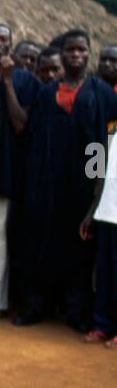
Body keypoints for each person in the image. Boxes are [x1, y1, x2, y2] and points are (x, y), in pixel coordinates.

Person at [15, 30, 115, 331]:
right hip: (46, 184)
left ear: (88, 54)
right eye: (70, 50)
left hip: (83, 185)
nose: (75, 55)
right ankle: (35, 306)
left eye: (81, 50)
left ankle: (77, 312)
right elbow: (32, 142)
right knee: (41, 245)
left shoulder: (101, 94)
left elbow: (103, 141)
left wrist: (94, 186)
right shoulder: (46, 94)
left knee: (80, 250)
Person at [0, 22, 39, 319]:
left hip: (6, 167)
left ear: (10, 45)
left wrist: (9, 81)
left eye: (4, 38)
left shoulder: (24, 80)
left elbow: (20, 124)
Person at [80, 87, 117, 345]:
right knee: (105, 272)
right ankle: (103, 324)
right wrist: (91, 212)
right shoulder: (111, 129)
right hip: (106, 212)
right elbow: (99, 173)